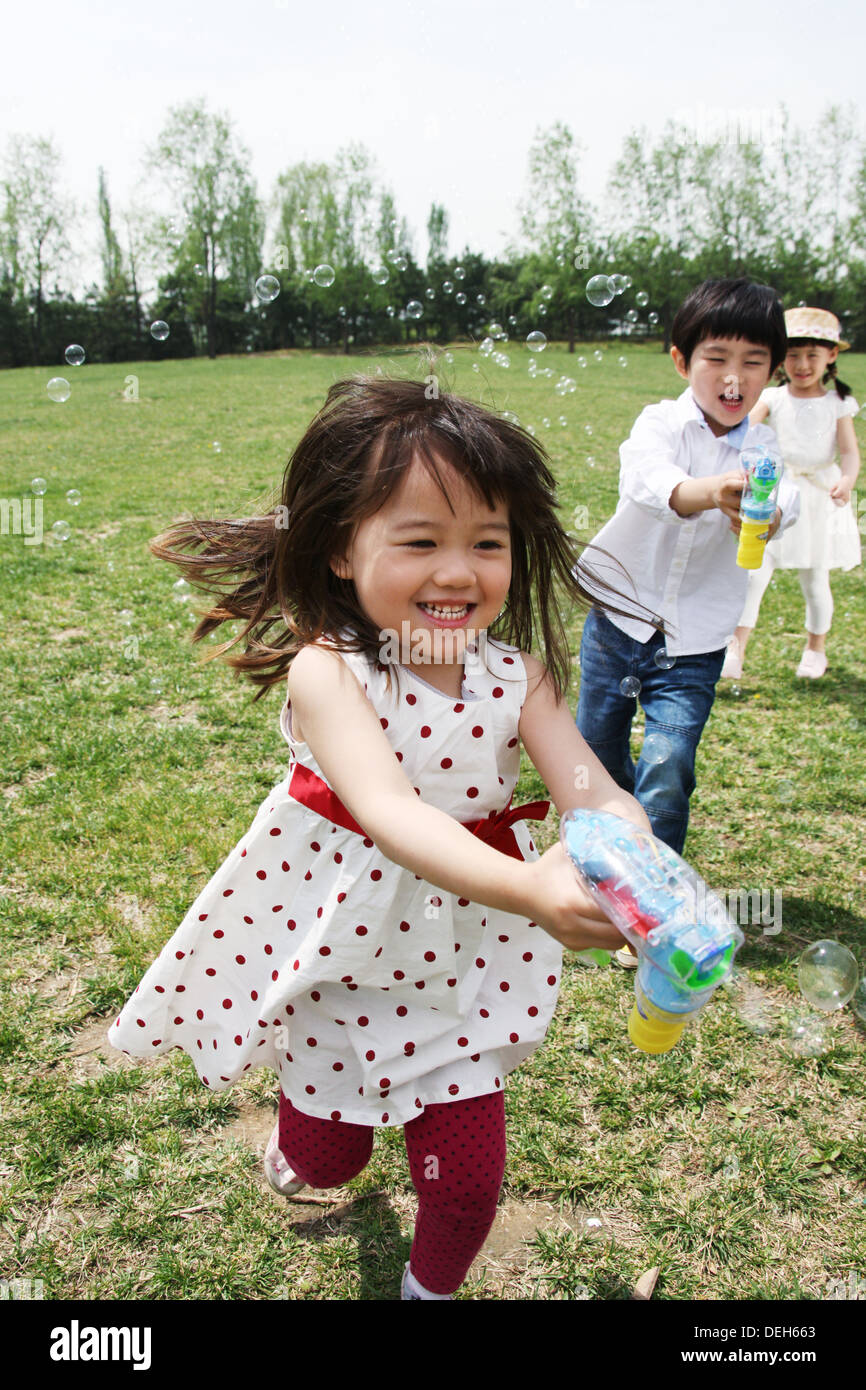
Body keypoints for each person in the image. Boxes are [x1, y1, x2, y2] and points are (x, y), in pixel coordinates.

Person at [108, 374, 654, 1302]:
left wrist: (631, 852)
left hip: (464, 961)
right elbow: (393, 815)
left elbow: (591, 787)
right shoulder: (330, 674)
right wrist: (531, 891)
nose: (459, 571)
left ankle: (427, 1289)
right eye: (420, 541)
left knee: (469, 1176)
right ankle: (305, 1141)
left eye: (488, 542)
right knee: (330, 1161)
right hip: (345, 947)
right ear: (337, 552)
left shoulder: (517, 676)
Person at [575, 279, 801, 969]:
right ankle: (599, 870)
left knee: (668, 768)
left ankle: (653, 909)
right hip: (619, 622)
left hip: (696, 642)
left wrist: (766, 509)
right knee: (593, 755)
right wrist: (712, 494)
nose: (734, 378)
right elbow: (650, 481)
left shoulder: (764, 452)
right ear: (682, 360)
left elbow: (783, 502)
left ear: (775, 369)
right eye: (717, 357)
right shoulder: (658, 424)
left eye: (754, 361)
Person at [721, 307, 861, 681]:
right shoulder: (774, 397)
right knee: (753, 573)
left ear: (831, 356)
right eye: (794, 354)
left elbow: (849, 451)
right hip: (775, 494)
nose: (802, 364)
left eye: (812, 355)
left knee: (815, 579)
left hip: (818, 497)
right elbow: (741, 425)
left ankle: (816, 649)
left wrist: (847, 481)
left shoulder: (837, 404)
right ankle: (736, 645)